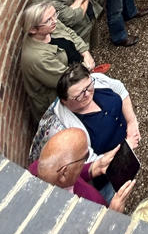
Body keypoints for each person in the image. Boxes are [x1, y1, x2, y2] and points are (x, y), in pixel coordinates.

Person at [29, 63, 140, 203]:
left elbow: (120, 90)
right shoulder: (67, 131)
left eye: (88, 87)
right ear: (64, 101)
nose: (87, 94)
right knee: (110, 197)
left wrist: (131, 122)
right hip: (104, 175)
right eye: (79, 95)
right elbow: (87, 161)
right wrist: (127, 148)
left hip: (123, 150)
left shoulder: (96, 80)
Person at [20, 1, 95, 121]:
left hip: (78, 71)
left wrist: (85, 52)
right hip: (62, 101)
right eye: (48, 20)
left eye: (55, 15)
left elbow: (69, 33)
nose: (55, 20)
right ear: (33, 29)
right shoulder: (37, 58)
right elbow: (66, 80)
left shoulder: (49, 24)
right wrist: (86, 68)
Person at [29, 128, 134, 211]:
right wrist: (113, 214)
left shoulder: (40, 167)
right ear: (64, 173)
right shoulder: (71, 210)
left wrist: (94, 167)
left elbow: (72, 176)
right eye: (85, 156)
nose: (87, 159)